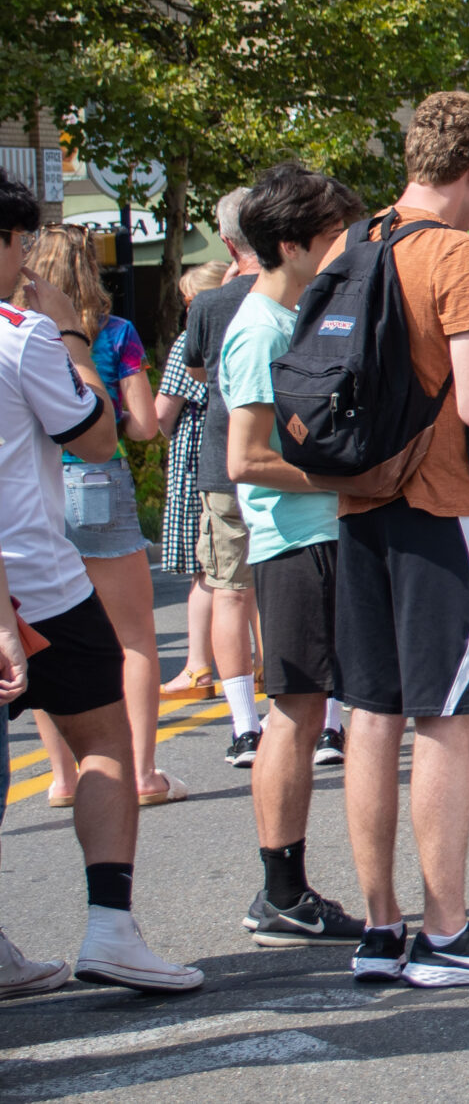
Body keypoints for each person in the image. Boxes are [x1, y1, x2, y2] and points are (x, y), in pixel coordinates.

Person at [329, 91, 469, 988]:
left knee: (371, 714)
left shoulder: (360, 239)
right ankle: (448, 935)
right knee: (447, 718)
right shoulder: (453, 253)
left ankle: (382, 926)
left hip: (360, 502)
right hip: (443, 506)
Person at [0, 174, 202, 996]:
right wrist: (69, 341)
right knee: (106, 744)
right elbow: (91, 439)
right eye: (15, 246)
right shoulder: (24, 335)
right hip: (39, 583)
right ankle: (110, 927)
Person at [223, 163, 371, 947]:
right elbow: (246, 456)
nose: (343, 248)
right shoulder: (260, 328)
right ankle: (281, 890)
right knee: (296, 713)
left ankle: (289, 887)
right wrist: (348, 473)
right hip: (297, 541)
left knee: (310, 709)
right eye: (331, 236)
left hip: (321, 533)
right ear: (290, 244)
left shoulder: (296, 315)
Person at [25, 226, 177, 808]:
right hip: (97, 481)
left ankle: (62, 778)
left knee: (44, 634)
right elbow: (140, 425)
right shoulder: (115, 336)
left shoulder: (21, 336)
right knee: (135, 638)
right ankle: (142, 772)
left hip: (36, 487)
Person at [182, 188, 265, 764]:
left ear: (230, 242)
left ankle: (245, 725)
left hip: (223, 461)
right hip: (292, 462)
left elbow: (193, 366)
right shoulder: (309, 295)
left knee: (231, 593)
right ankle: (325, 722)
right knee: (300, 588)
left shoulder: (210, 305)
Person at [154, 261, 231, 697]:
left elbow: (164, 414)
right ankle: (257, 663)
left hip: (197, 455)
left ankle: (198, 664)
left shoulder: (192, 338)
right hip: (234, 446)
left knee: (205, 568)